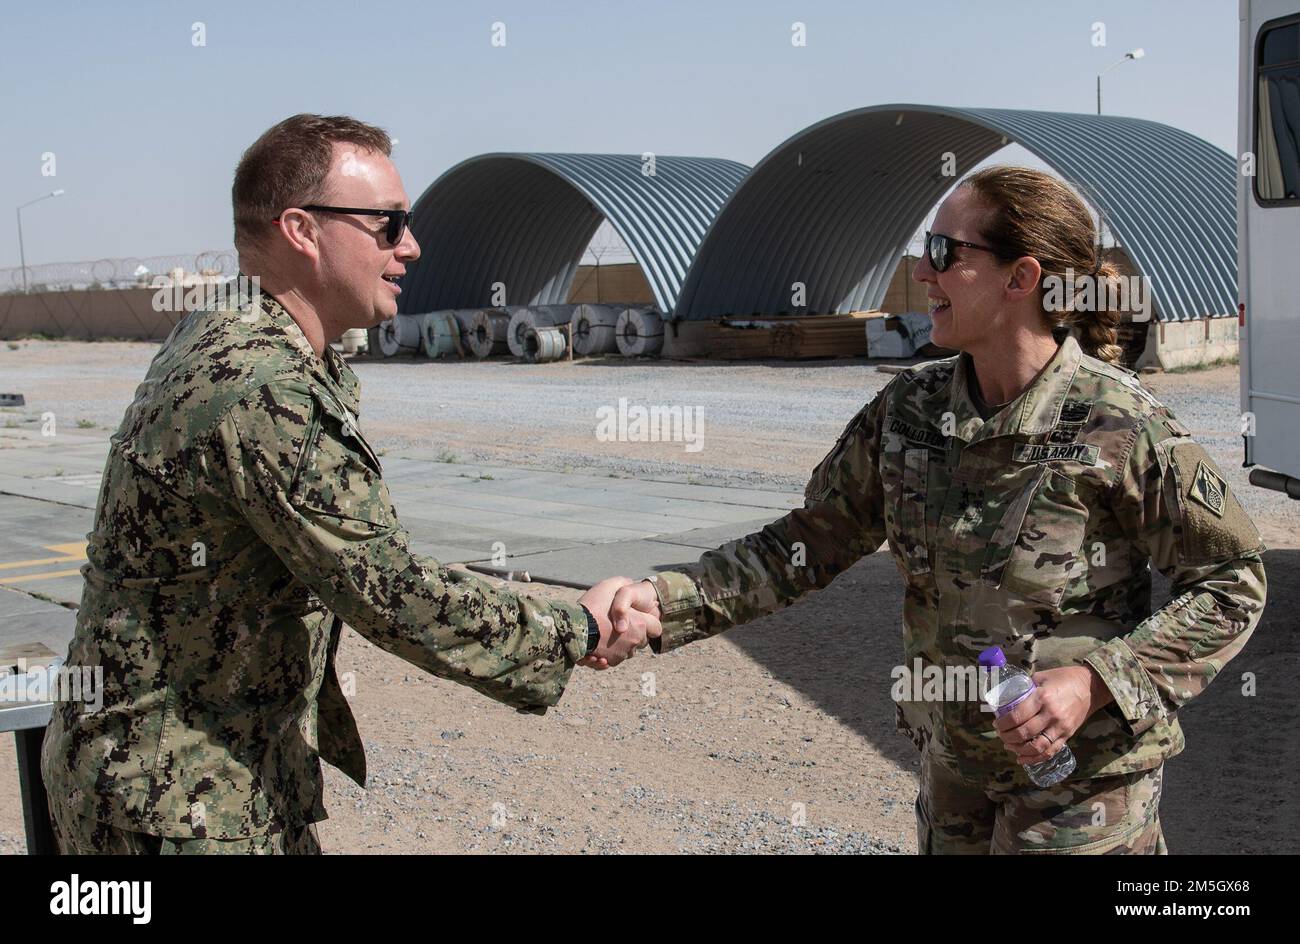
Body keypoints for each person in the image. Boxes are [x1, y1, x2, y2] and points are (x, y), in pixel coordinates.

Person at [40, 114, 657, 854]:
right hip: (180, 804)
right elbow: (395, 594)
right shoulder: (262, 388)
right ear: (301, 229)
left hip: (172, 782)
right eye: (388, 224)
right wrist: (578, 628)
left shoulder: (233, 329)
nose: (411, 245)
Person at [610, 165, 1268, 854]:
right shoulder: (909, 410)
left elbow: (1232, 580)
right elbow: (805, 545)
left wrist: (1094, 681)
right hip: (954, 778)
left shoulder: (1120, 423)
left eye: (946, 253)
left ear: (1021, 279)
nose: (922, 273)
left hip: (1081, 794)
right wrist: (666, 601)